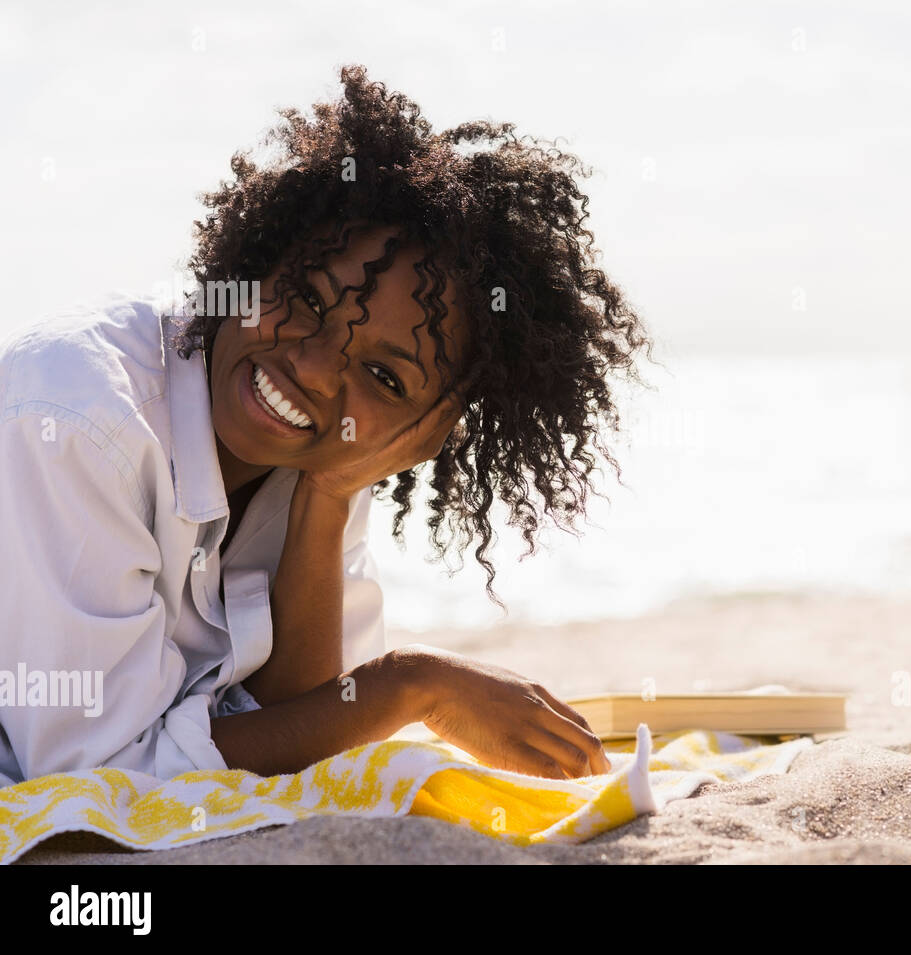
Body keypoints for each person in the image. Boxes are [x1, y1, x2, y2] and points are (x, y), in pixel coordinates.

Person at [0, 65, 651, 786]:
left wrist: (326, 501)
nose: (312, 368)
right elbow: (98, 777)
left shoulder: (329, 453)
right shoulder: (80, 419)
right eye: (307, 298)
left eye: (385, 376)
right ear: (256, 257)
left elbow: (293, 733)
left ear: (430, 426)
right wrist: (412, 684)